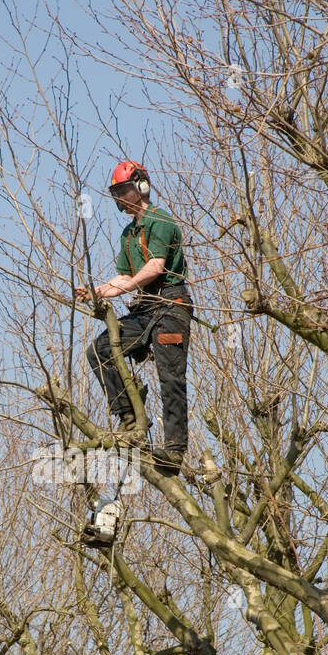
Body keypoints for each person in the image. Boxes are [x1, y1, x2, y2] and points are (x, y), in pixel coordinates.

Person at [75, 161, 193, 476]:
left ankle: (174, 451)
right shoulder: (129, 234)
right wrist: (98, 291)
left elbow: (155, 267)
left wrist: (124, 288)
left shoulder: (159, 221)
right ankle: (128, 416)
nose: (119, 197)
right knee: (100, 350)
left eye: (124, 190)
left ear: (141, 186)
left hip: (170, 306)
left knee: (171, 377)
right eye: (116, 192)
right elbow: (125, 276)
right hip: (144, 309)